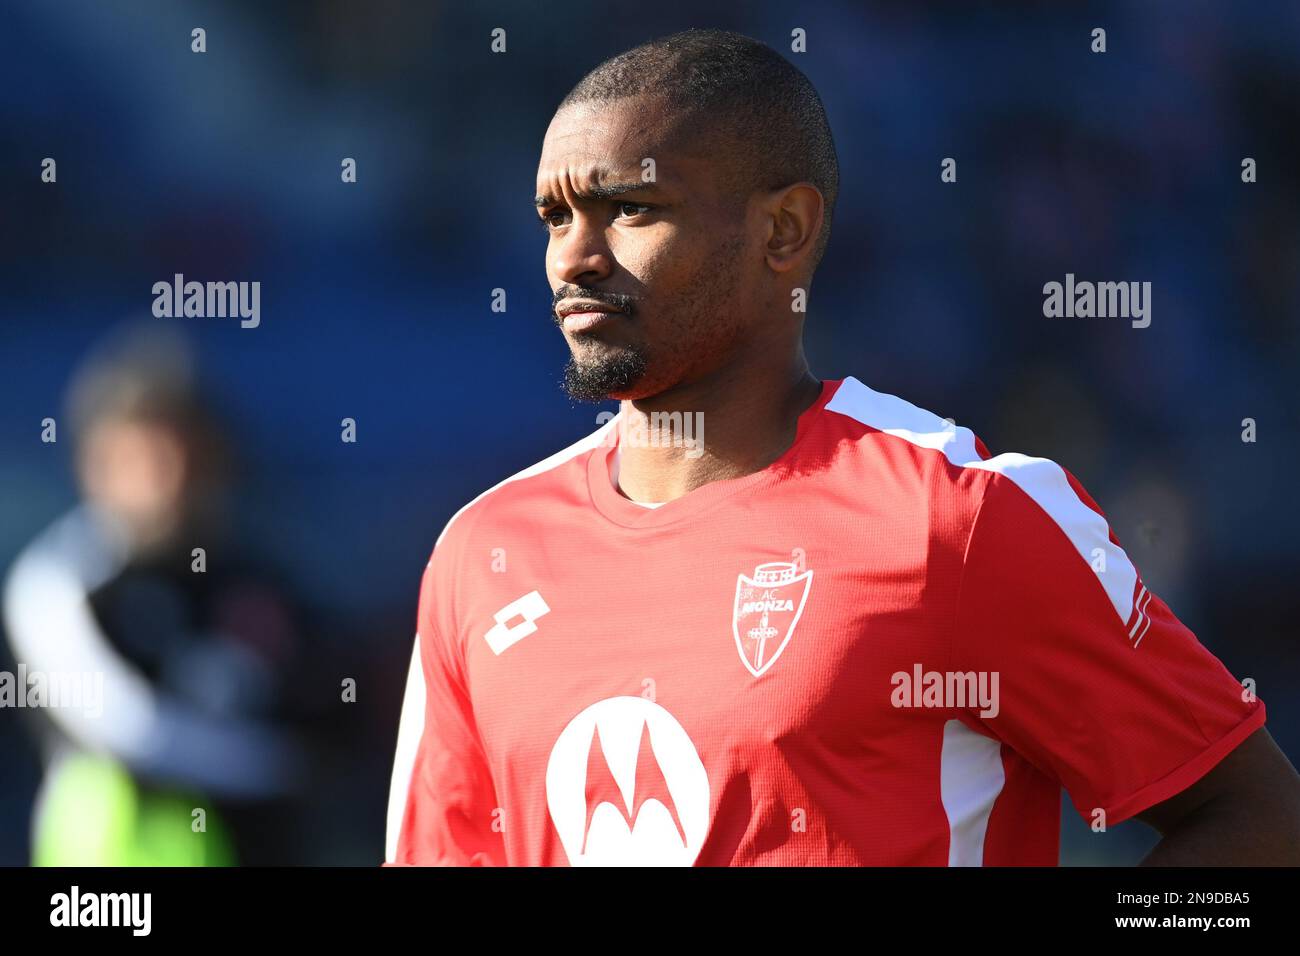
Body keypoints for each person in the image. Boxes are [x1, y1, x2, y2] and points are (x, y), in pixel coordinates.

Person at [385, 28, 1300, 865]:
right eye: (554, 216)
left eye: (630, 208)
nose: (573, 257)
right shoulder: (483, 553)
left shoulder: (963, 514)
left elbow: (1258, 822)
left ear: (784, 230)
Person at [3, 324, 317, 865]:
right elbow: (126, 727)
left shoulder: (261, 577)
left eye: (183, 454)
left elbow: (324, 695)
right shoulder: (58, 581)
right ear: (93, 464)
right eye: (140, 458)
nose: (166, 480)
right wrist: (277, 764)